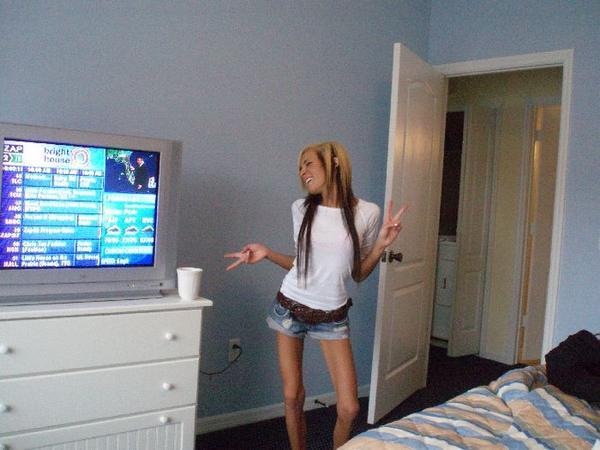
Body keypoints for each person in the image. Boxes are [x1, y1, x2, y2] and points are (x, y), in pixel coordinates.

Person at [225, 141, 406, 449]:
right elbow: (302, 265)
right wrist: (267, 253)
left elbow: (357, 273)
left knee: (349, 408)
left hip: (332, 316)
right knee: (292, 396)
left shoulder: (367, 212)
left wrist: (380, 246)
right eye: (299, 167)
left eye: (308, 163)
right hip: (289, 308)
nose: (302, 172)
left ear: (333, 161)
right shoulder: (300, 208)